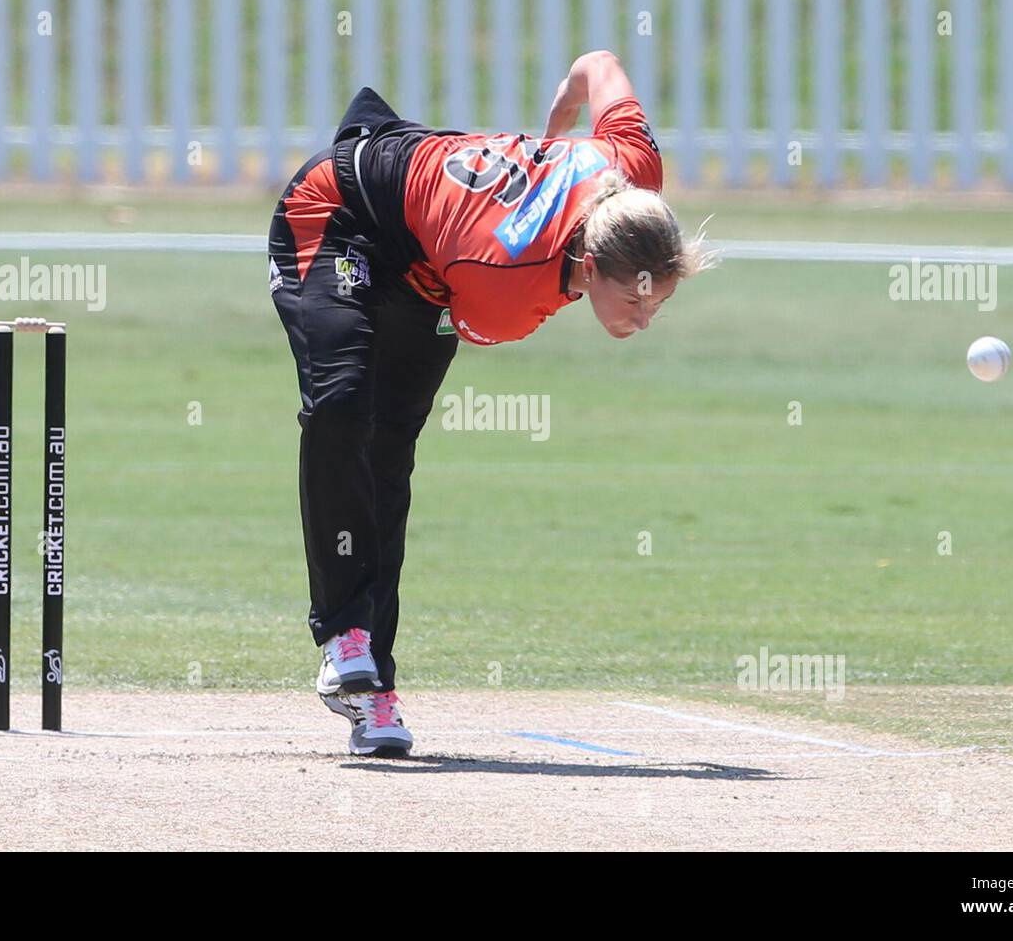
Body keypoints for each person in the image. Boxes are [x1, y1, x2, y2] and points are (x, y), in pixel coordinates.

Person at [267, 51, 714, 756]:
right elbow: (472, 304)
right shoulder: (510, 293)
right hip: (340, 212)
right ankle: (341, 633)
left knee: (388, 454)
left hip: (434, 259)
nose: (643, 317)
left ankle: (370, 691)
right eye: (633, 299)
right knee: (343, 405)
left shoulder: (634, 168)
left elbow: (597, 64)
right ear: (589, 268)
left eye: (659, 301)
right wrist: (546, 159)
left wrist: (561, 120)